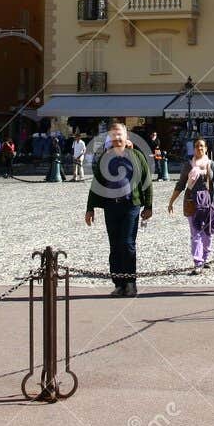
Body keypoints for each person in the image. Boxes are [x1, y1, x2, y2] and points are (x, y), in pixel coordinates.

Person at [85, 122, 153, 297]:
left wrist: (149, 206)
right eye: (113, 135)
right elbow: (97, 183)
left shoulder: (136, 156)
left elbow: (146, 180)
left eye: (120, 134)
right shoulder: (105, 157)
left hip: (131, 205)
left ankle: (130, 283)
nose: (117, 138)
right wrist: (90, 208)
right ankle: (119, 284)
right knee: (114, 246)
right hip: (111, 206)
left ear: (126, 136)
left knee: (127, 244)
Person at [168, 137, 214, 274]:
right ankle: (198, 262)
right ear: (193, 149)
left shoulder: (212, 165)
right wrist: (171, 202)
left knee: (208, 232)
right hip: (191, 203)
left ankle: (205, 257)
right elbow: (180, 185)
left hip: (209, 203)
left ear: (206, 148)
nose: (199, 148)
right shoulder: (188, 166)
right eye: (197, 146)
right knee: (195, 233)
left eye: (202, 146)